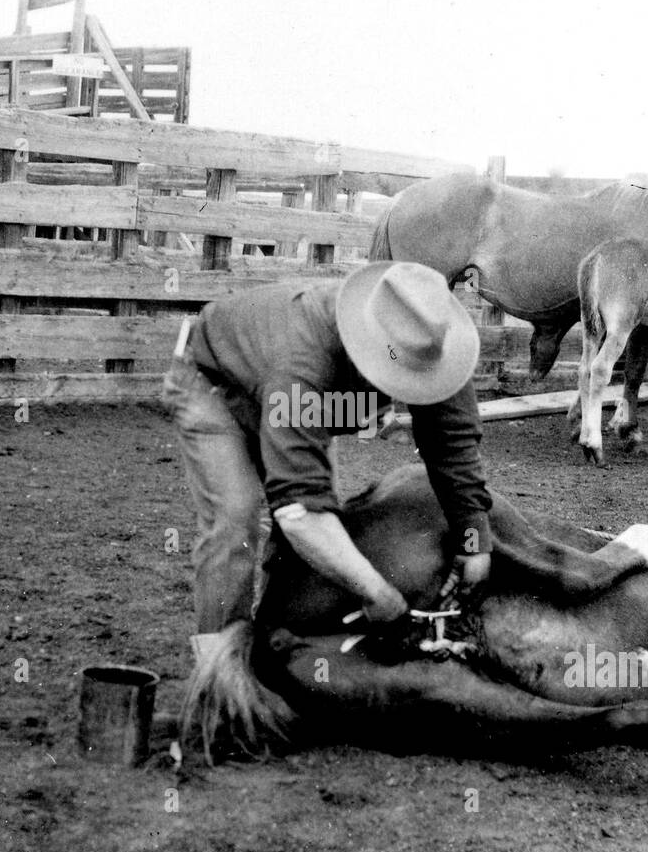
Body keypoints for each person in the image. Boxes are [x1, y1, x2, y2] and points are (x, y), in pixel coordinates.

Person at [162, 261, 493, 727]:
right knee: (235, 521)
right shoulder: (302, 360)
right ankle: (219, 681)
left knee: (324, 519)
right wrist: (378, 593)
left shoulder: (426, 338)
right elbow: (301, 511)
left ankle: (278, 642)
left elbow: (451, 439)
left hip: (307, 397)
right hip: (215, 386)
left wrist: (473, 536)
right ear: (364, 349)